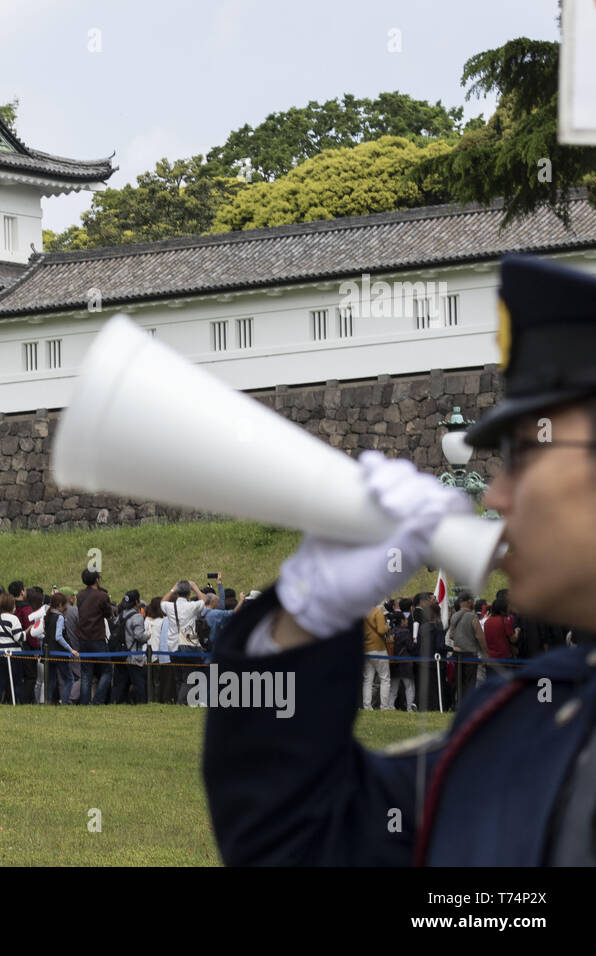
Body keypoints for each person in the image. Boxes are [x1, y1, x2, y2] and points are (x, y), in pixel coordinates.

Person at [203, 253, 596, 865]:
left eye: (523, 453)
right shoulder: (519, 721)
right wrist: (302, 624)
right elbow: (297, 841)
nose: (496, 495)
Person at [75, 568, 113, 705]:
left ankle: (85, 702)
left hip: (83, 638)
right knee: (107, 670)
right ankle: (98, 700)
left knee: (86, 673)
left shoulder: (79, 595)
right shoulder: (102, 596)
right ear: (97, 579)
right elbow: (108, 614)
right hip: (97, 637)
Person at [0, 592, 24, 704]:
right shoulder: (14, 619)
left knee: (1, 681)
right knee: (17, 681)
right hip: (13, 654)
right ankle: (18, 702)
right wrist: (28, 632)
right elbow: (19, 637)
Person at [112, 590, 148, 704]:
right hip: (134, 655)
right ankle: (141, 703)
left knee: (121, 682)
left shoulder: (120, 615)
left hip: (121, 654)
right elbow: (139, 636)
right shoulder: (137, 617)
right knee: (139, 682)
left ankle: (118, 702)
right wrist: (147, 636)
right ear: (137, 602)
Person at [361, 602, 392, 710]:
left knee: (367, 679)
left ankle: (367, 705)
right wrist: (387, 627)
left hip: (366, 649)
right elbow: (381, 630)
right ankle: (384, 706)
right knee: (385, 678)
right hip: (378, 649)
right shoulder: (377, 611)